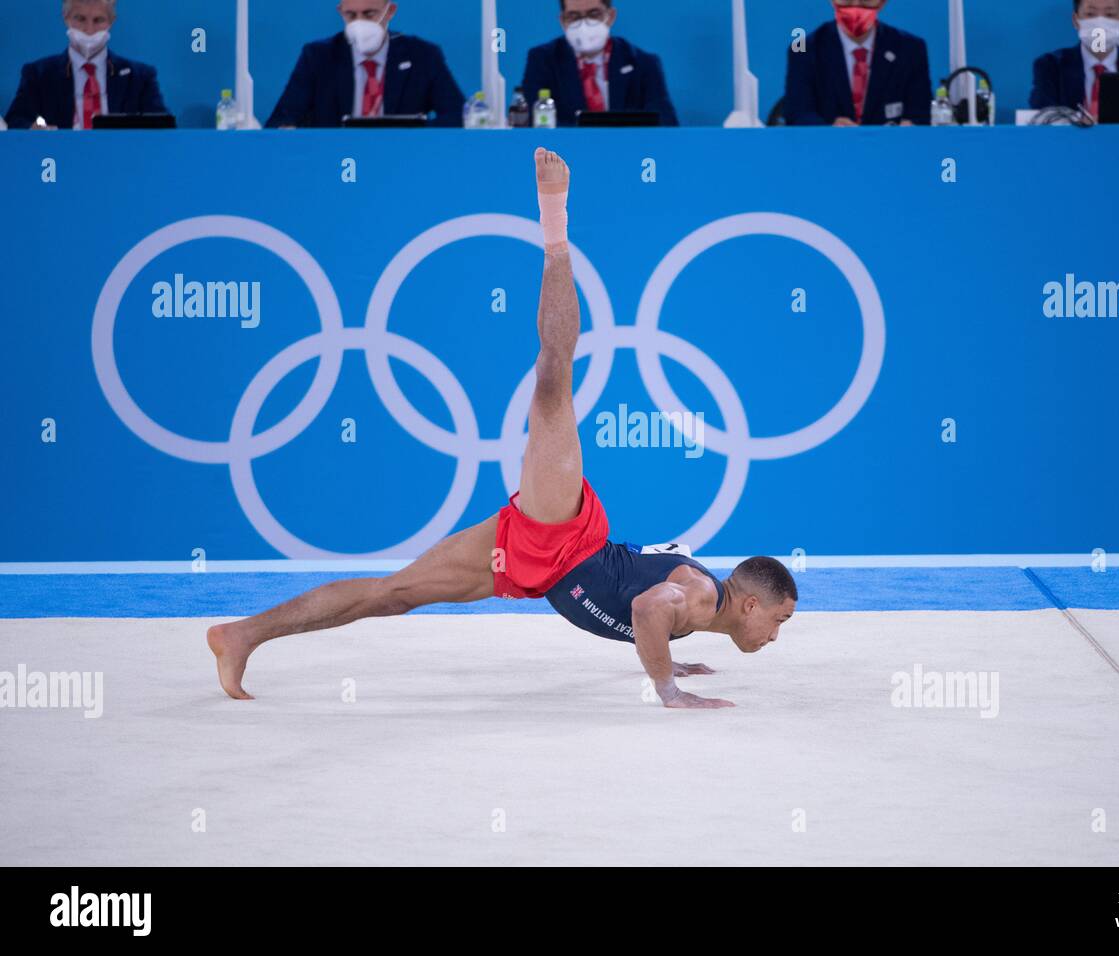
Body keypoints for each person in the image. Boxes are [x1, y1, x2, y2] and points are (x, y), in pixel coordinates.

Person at [208, 149, 797, 710]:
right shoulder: (696, 595)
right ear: (750, 604)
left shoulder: (697, 611)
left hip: (533, 565)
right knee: (554, 377)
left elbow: (652, 617)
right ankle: (554, 221)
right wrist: (669, 689)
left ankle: (241, 635)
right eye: (779, 620)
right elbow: (646, 608)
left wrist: (668, 656)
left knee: (390, 595)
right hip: (561, 533)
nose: (776, 635)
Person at [267, 0, 464, 128]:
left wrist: (409, 133)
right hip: (335, 161)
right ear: (340, 11)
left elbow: (458, 117)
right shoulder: (318, 57)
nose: (359, 23)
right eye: (351, 16)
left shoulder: (422, 55)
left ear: (390, 12)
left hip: (403, 159)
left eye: (369, 14)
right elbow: (282, 120)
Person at [4, 0, 166, 130]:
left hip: (121, 161)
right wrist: (32, 129)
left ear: (111, 21)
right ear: (65, 17)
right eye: (80, 19)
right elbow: (15, 121)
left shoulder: (140, 77)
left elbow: (163, 127)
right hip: (61, 161)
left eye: (98, 20)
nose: (89, 30)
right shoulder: (40, 74)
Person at [520, 0, 679, 126]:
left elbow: (667, 124)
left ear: (610, 16)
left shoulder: (643, 64)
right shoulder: (542, 60)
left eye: (593, 14)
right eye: (574, 17)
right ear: (562, 21)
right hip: (565, 157)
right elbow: (533, 123)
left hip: (629, 154)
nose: (583, 25)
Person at [783, 0, 932, 127]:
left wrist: (910, 127)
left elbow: (921, 113)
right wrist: (829, 129)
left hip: (890, 151)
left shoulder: (910, 49)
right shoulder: (804, 50)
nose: (855, 5)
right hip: (829, 151)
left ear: (883, 2)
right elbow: (797, 113)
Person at [1030, 0, 1119, 116]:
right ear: (1075, 20)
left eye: (1110, 14)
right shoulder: (1051, 66)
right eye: (1090, 14)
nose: (1099, 24)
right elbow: (1043, 116)